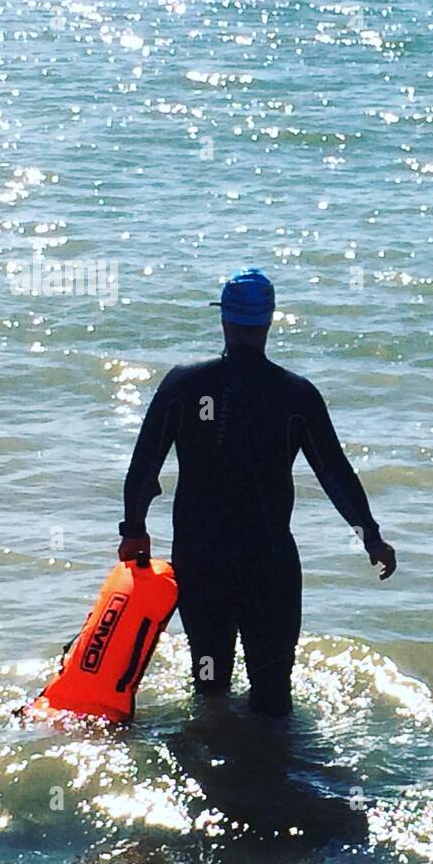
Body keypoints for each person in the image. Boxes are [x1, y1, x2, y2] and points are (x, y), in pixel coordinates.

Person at [117, 268, 396, 717]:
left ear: (224, 320)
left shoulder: (182, 386)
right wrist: (371, 536)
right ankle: (274, 781)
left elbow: (144, 466)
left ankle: (213, 772)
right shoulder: (296, 395)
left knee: (209, 687)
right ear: (268, 322)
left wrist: (134, 531)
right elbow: (333, 473)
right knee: (272, 696)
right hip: (268, 566)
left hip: (200, 562)